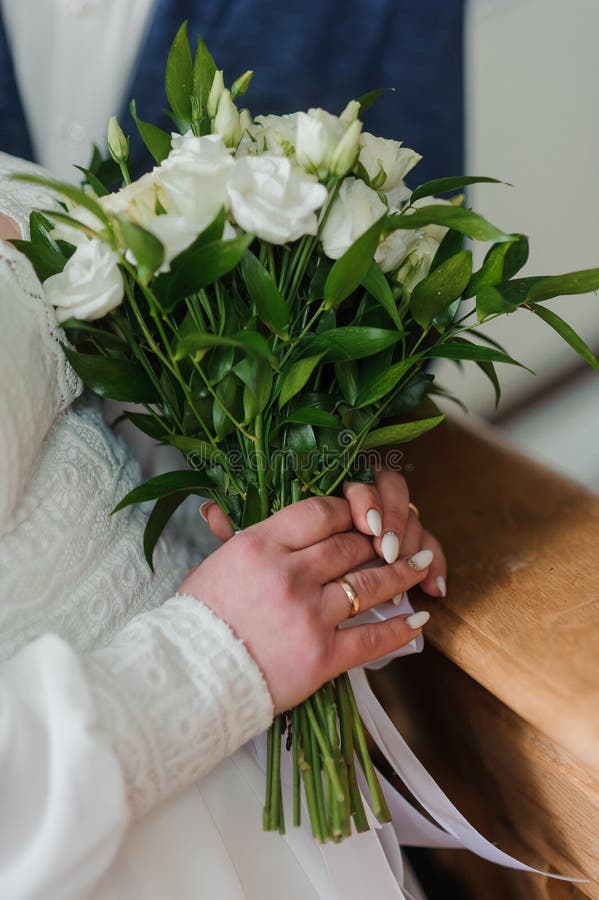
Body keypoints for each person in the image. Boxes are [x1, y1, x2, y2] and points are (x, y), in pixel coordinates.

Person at [0, 152, 447, 899]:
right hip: (109, 849)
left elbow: (101, 427)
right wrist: (210, 658)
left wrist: (288, 487)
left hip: (268, 769)